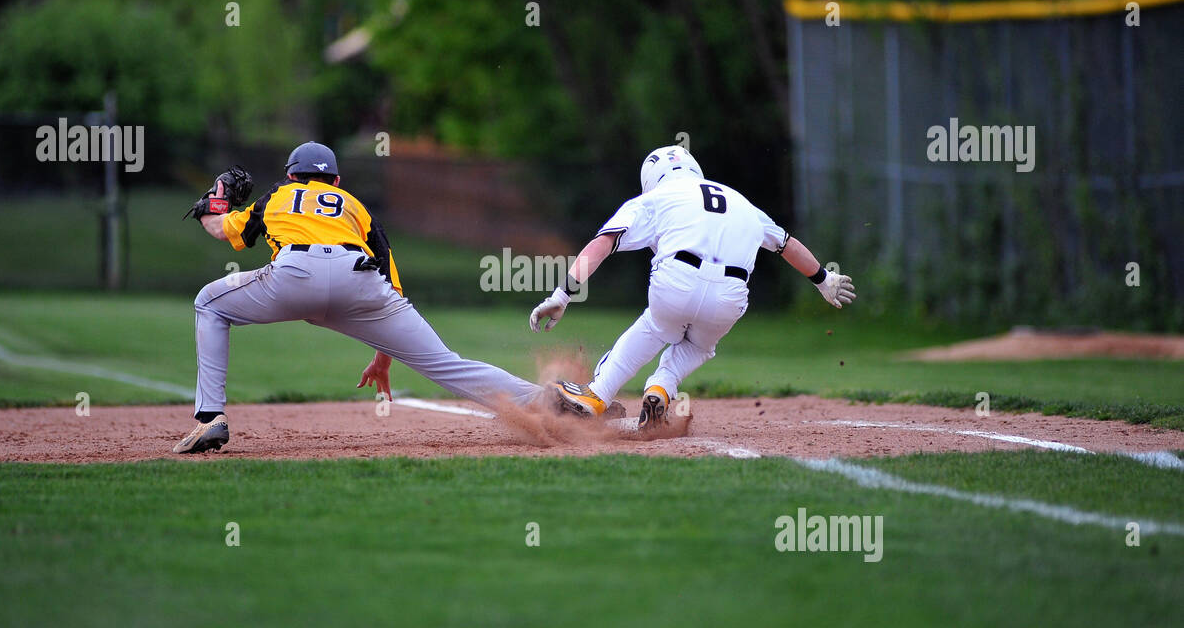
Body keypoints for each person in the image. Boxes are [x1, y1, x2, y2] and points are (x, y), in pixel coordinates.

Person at [174, 141, 545, 454]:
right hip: (360, 280)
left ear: (290, 176)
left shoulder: (276, 197)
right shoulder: (354, 205)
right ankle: (548, 402)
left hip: (295, 275)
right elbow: (390, 279)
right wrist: (384, 358)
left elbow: (222, 229)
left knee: (209, 303)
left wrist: (213, 200)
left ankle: (211, 419)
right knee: (447, 364)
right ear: (335, 181)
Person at [528, 145, 856, 432]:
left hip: (676, 280)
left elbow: (602, 244)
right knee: (699, 346)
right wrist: (823, 280)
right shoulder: (740, 200)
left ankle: (597, 394)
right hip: (731, 294)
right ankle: (661, 385)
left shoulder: (654, 198)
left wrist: (562, 295)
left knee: (655, 327)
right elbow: (786, 245)